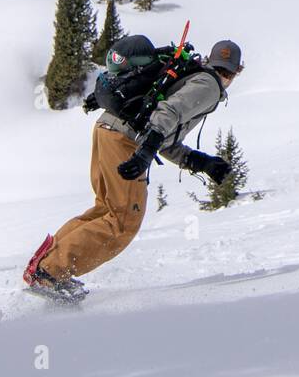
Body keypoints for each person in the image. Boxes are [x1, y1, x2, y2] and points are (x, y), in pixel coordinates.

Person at [23, 39, 245, 297]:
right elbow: (167, 113)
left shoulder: (193, 75)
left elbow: (165, 135)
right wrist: (145, 152)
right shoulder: (208, 86)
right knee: (123, 223)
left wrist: (200, 161)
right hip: (124, 139)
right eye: (230, 72)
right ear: (238, 70)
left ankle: (46, 266)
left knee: (105, 209)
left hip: (107, 129)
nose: (227, 77)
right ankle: (50, 273)